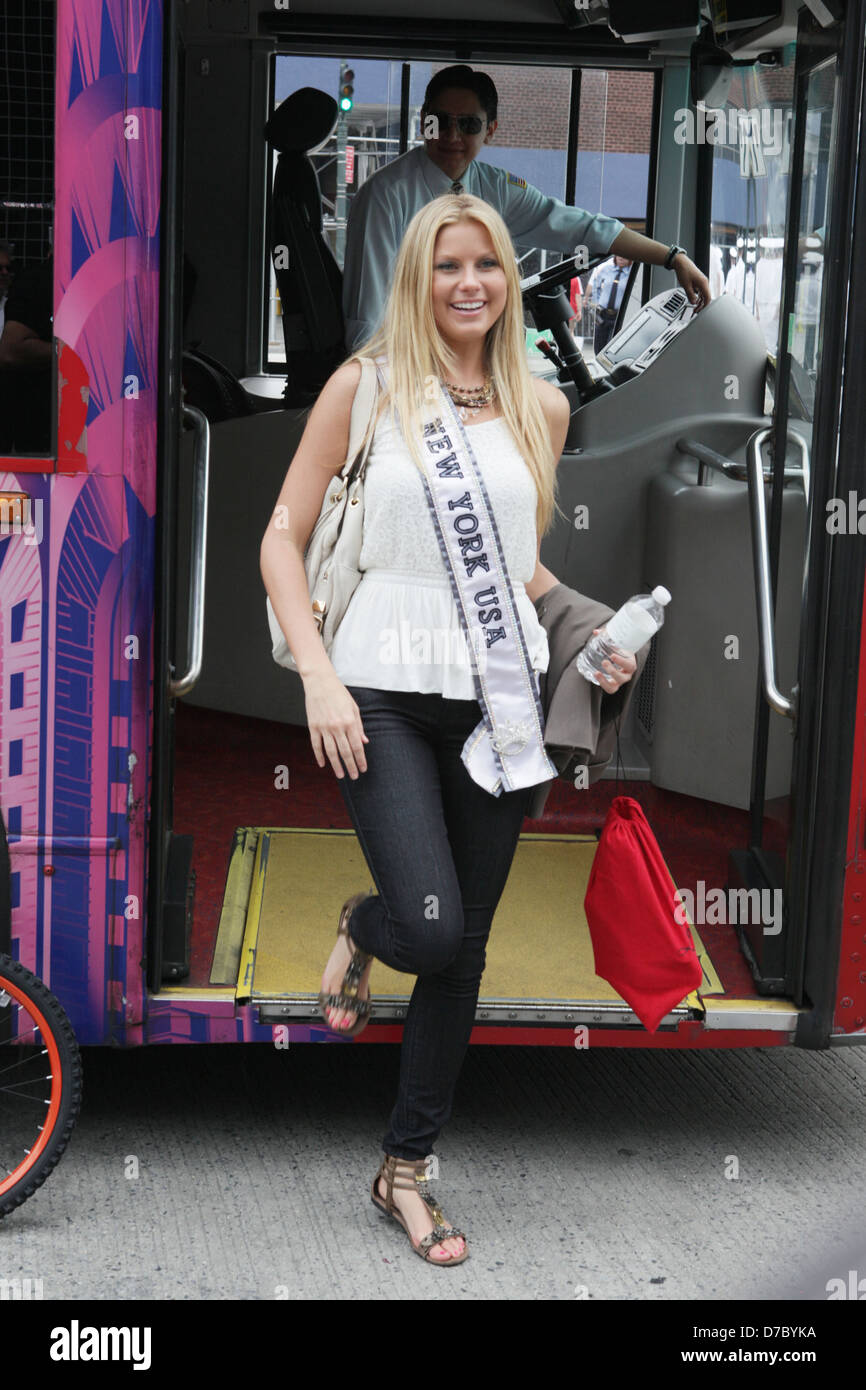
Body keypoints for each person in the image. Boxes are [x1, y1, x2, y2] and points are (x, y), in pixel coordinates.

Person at [261, 192, 637, 1266]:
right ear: (415, 277)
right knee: (426, 927)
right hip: (376, 687)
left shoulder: (541, 404)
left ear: (509, 280)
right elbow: (280, 539)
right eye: (445, 264)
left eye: (485, 265)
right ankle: (368, 919)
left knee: (461, 949)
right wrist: (320, 677)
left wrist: (595, 632)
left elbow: (513, 566)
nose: (467, 283)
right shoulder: (365, 388)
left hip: (497, 698)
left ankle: (404, 1169)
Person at [342, 64, 711, 349]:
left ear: (490, 130)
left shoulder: (494, 188)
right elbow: (369, 321)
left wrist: (673, 257)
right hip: (409, 370)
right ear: (424, 122)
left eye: (468, 124)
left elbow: (581, 227)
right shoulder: (385, 196)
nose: (452, 136)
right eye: (440, 122)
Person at [0, 252, 53, 454]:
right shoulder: (27, 296)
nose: (5, 273)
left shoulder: (14, 306)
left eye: (8, 268)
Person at [586, 254, 633, 354]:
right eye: (619, 255)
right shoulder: (606, 269)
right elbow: (595, 286)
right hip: (602, 315)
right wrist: (596, 302)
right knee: (598, 347)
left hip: (618, 316)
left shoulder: (631, 274)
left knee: (611, 348)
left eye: (624, 256)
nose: (621, 257)